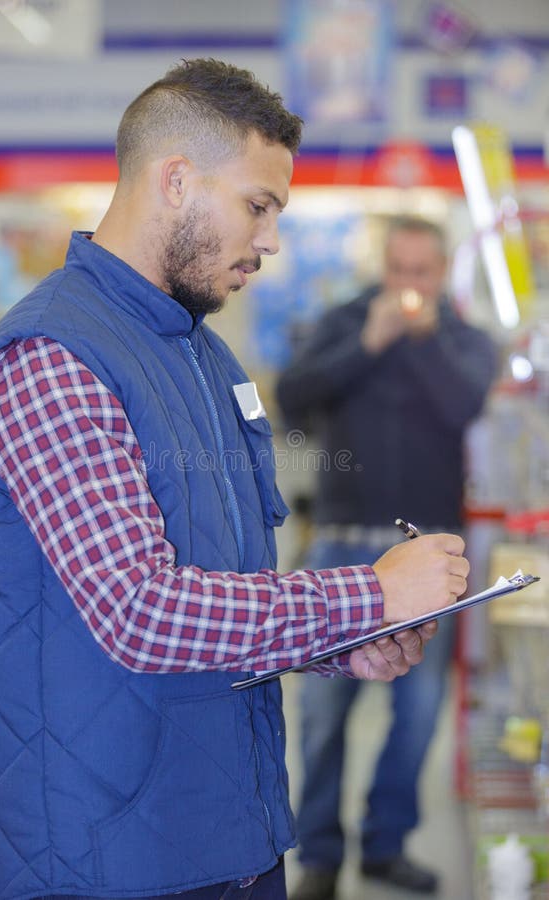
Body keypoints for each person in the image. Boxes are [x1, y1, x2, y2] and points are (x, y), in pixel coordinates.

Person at [0, 62, 470, 900]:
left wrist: (340, 648)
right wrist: (364, 599)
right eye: (258, 207)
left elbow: (222, 594)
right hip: (99, 860)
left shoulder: (201, 353)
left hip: (225, 833)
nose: (270, 241)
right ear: (177, 181)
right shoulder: (51, 358)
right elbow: (139, 611)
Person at [276, 215, 497, 897]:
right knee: (322, 711)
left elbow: (466, 405)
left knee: (419, 711)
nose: (408, 285)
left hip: (430, 553)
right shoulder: (344, 322)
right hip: (343, 544)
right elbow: (289, 402)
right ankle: (317, 855)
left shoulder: (462, 338)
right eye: (397, 270)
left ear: (441, 272)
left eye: (420, 272)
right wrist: (368, 343)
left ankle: (384, 844)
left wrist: (423, 340)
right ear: (383, 268)